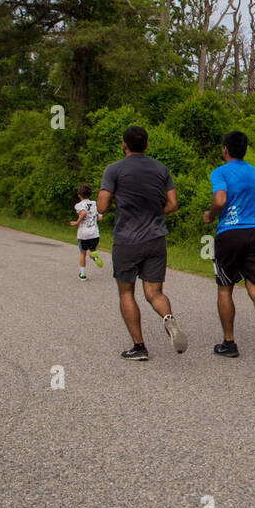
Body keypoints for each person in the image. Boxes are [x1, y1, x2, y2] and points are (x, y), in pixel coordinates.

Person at [97, 126, 186, 361]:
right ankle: (168, 318)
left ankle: (139, 347)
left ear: (124, 145)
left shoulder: (114, 169)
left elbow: (102, 207)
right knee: (154, 292)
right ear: (147, 145)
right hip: (156, 239)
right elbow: (173, 203)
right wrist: (157, 215)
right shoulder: (161, 169)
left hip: (127, 240)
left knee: (126, 292)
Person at [202, 130, 255, 365]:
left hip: (229, 234)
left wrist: (209, 216)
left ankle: (229, 343)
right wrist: (250, 210)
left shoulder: (220, 172)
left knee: (225, 287)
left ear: (225, 149)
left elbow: (219, 200)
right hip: (254, 233)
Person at [70, 184, 105, 280]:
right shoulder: (95, 204)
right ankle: (95, 257)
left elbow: (84, 213)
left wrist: (77, 222)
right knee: (92, 250)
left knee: (82, 253)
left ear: (79, 195)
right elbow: (99, 218)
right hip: (94, 233)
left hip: (83, 234)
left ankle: (82, 274)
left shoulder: (78, 205)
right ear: (90, 195)